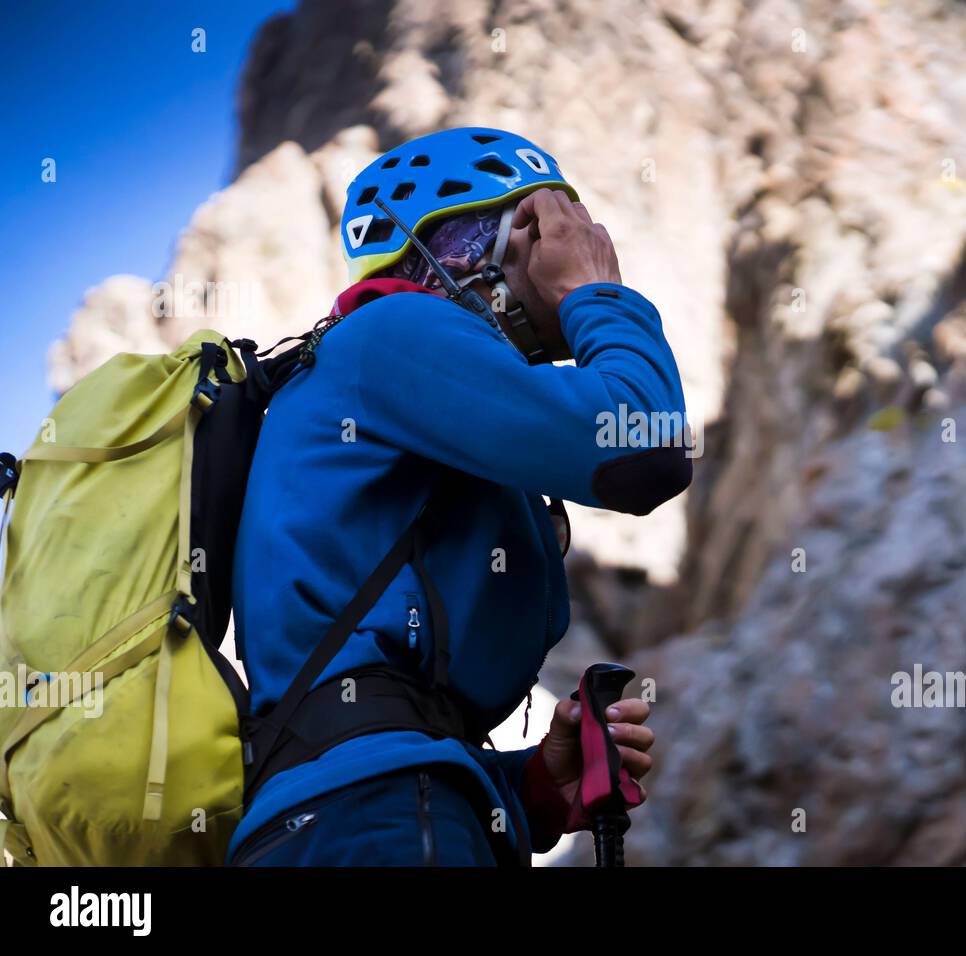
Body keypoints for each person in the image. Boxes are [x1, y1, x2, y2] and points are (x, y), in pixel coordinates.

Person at [225, 127, 692, 866]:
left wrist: (536, 786)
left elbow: (359, 712)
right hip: (376, 815)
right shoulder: (393, 329)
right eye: (544, 228)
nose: (571, 244)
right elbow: (646, 446)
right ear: (485, 240)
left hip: (349, 814)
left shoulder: (398, 375)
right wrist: (593, 292)